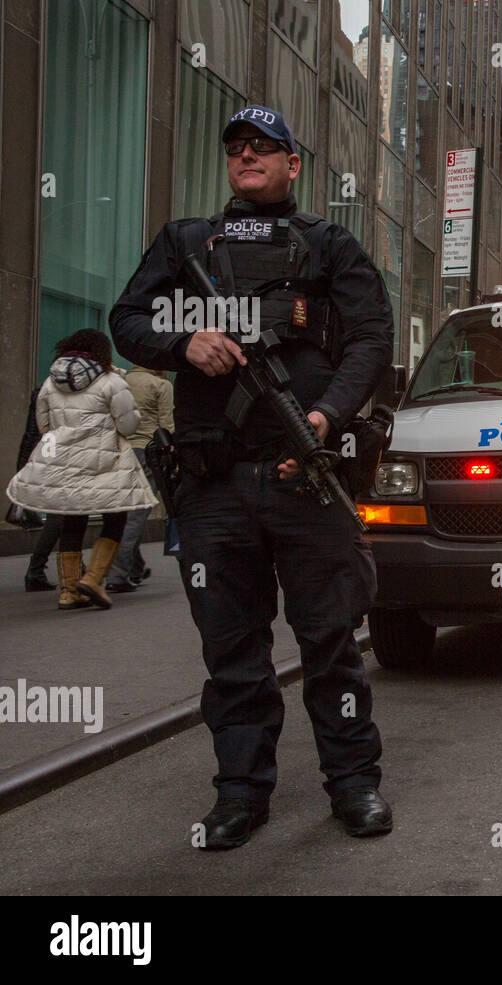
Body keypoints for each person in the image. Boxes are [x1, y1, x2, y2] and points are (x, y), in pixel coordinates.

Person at [110, 105, 393, 849]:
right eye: (236, 146)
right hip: (212, 484)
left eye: (265, 147)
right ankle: (239, 794)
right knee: (231, 651)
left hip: (306, 475)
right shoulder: (184, 242)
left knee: (330, 641)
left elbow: (372, 338)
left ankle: (354, 783)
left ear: (294, 165)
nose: (247, 156)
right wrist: (183, 341)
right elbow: (126, 319)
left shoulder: (330, 245)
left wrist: (328, 416)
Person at [6, 330, 157, 609]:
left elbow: (43, 425)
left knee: (73, 520)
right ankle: (93, 578)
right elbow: (128, 426)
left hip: (64, 463)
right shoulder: (112, 381)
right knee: (116, 516)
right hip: (106, 462)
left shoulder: (51, 383)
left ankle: (68, 592)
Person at [104, 365, 174, 593]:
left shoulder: (119, 381)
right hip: (146, 451)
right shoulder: (161, 385)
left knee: (121, 511)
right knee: (136, 515)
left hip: (118, 451)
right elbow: (166, 424)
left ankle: (135, 567)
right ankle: (117, 575)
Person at [14, 387, 64, 591]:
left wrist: (23, 462)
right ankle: (36, 570)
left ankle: (75, 567)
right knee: (60, 514)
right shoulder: (69, 389)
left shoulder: (41, 390)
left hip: (44, 455)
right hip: (58, 458)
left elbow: (31, 432)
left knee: (63, 514)